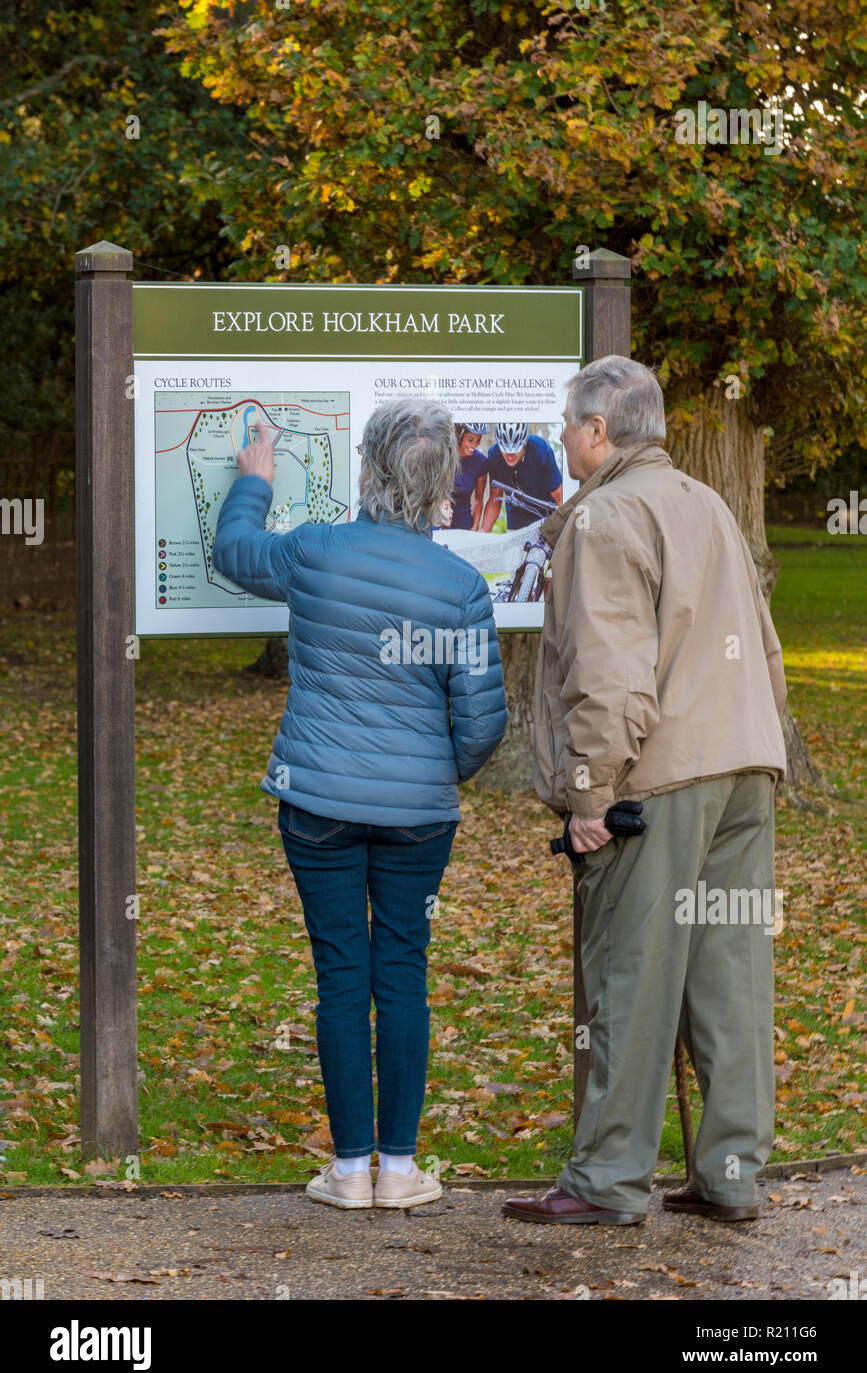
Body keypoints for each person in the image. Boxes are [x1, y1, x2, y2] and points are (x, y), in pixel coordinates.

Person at [503, 355, 787, 1227]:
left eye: (567, 424)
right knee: (730, 977)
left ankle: (606, 1181)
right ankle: (730, 1172)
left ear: (597, 433)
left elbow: (611, 679)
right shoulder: (707, 504)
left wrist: (588, 796)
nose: (559, 436)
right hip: (743, 766)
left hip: (658, 778)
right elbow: (765, 648)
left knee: (631, 974)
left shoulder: (606, 518)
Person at [212, 398, 508, 1211]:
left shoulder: (315, 552)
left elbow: (234, 551)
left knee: (341, 975)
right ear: (442, 480)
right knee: (402, 973)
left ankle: (347, 1170)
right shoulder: (458, 587)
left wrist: (255, 477)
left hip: (317, 806)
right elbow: (483, 722)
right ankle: (400, 1168)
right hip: (419, 820)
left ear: (369, 469)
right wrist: (427, 773)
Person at [480, 423, 562, 531]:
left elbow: (560, 498)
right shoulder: (495, 455)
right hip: (516, 518)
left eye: (515, 450)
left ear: (525, 444)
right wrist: (483, 532)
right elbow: (495, 498)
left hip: (545, 515)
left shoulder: (541, 451)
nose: (509, 456)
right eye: (505, 450)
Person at [444, 423, 489, 530]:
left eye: (478, 440)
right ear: (459, 436)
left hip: (463, 520)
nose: (474, 445)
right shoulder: (443, 455)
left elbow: (479, 498)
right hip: (439, 517)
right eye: (470, 439)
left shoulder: (480, 461)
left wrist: (474, 527)